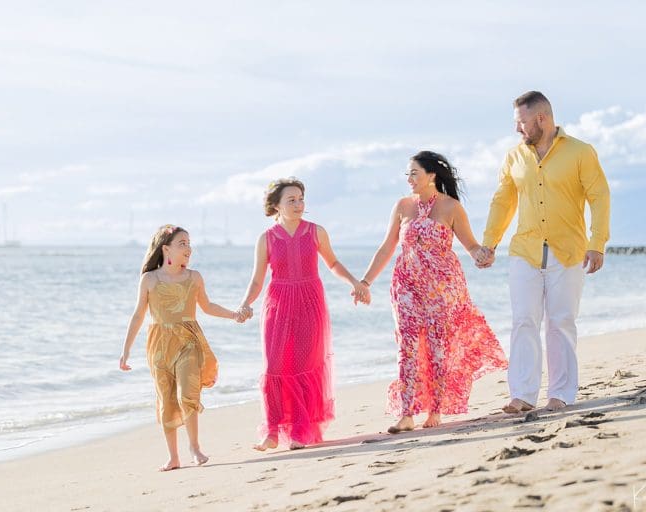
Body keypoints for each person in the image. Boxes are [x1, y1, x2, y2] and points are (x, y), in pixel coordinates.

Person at [477, 91, 610, 413]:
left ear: (542, 119)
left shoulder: (580, 152)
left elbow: (599, 197)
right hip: (525, 250)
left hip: (569, 250)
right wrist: (489, 242)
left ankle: (561, 394)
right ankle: (522, 394)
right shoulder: (514, 157)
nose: (517, 130)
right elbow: (503, 201)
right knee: (523, 320)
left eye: (521, 123)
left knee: (561, 321)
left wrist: (597, 243)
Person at [359, 151, 508, 433]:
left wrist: (483, 255)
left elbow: (471, 246)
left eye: (414, 173)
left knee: (438, 348)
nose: (409, 179)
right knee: (407, 345)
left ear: (432, 176)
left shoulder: (452, 208)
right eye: (408, 174)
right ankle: (406, 414)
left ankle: (435, 410)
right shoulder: (402, 206)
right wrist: (365, 282)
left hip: (442, 288)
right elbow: (386, 247)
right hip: (406, 285)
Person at [238, 178, 368, 451]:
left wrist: (355, 283)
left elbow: (332, 263)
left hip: (310, 302)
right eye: (291, 200)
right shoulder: (266, 239)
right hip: (278, 304)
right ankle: (272, 431)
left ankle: (300, 430)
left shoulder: (315, 232)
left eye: (300, 199)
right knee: (275, 366)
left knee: (304, 365)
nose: (298, 205)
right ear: (276, 206)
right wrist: (245, 303)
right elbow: (257, 280)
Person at [119, 224, 244, 471]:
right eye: (182, 243)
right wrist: (125, 351)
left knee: (187, 392)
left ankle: (195, 447)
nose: (188, 248)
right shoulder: (149, 279)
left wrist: (234, 315)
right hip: (159, 344)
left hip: (189, 340)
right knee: (166, 399)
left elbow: (207, 307)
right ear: (166, 249)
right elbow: (137, 315)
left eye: (189, 243)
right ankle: (173, 457)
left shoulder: (194, 277)